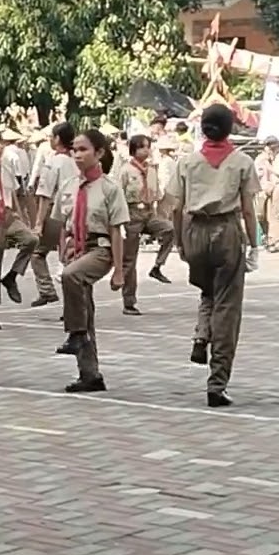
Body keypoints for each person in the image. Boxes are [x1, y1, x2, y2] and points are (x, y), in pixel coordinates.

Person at [165, 104, 259, 408]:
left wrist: (180, 241)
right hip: (226, 231)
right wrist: (255, 243)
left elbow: (176, 207)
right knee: (228, 306)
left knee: (208, 290)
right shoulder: (242, 162)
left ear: (202, 128)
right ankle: (217, 382)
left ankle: (200, 334)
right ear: (231, 128)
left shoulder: (187, 162)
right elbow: (247, 209)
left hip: (194, 231)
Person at [53, 130, 130, 392]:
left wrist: (119, 271)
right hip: (76, 249)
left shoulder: (110, 188)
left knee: (71, 277)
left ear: (99, 153)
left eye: (84, 149)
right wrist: (62, 251)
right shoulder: (68, 186)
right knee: (85, 308)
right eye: (74, 149)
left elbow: (117, 231)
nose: (77, 155)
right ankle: (90, 374)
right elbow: (63, 224)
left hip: (100, 249)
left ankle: (75, 333)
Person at [0, 128, 38, 329]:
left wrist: (20, 217)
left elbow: (12, 192)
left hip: (8, 215)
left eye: (0, 142)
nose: (0, 146)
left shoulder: (6, 165)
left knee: (31, 240)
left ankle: (12, 276)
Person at [117, 134, 175, 315]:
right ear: (134, 149)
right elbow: (119, 195)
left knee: (169, 230)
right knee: (130, 261)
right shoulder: (126, 170)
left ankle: (158, 266)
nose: (146, 150)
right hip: (131, 214)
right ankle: (129, 301)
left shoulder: (152, 170)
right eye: (142, 147)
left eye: (148, 147)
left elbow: (157, 193)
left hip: (149, 212)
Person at [29, 122, 80, 307]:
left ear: (58, 139)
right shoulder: (78, 160)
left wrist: (39, 223)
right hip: (77, 211)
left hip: (56, 212)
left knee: (37, 253)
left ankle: (46, 289)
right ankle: (72, 305)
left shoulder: (53, 162)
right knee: (70, 259)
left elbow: (44, 195)